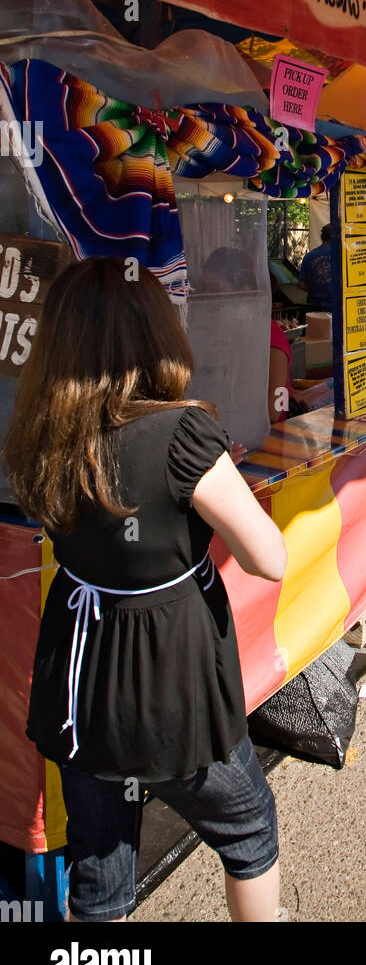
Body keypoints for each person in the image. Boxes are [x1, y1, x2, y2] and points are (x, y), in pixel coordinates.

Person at [5, 257, 288, 921]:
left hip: (80, 681)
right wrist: (211, 482)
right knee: (248, 830)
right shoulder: (185, 432)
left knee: (100, 872)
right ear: (153, 332)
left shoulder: (42, 430)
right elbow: (267, 558)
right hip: (170, 681)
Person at [202, 247, 292, 421]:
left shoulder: (270, 335)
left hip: (265, 439)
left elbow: (275, 411)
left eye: (214, 289)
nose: (207, 297)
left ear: (243, 290)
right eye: (203, 288)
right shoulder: (217, 332)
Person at [299, 224, 334, 311]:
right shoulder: (341, 255)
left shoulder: (309, 256)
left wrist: (314, 291)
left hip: (316, 306)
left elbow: (301, 284)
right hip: (337, 306)